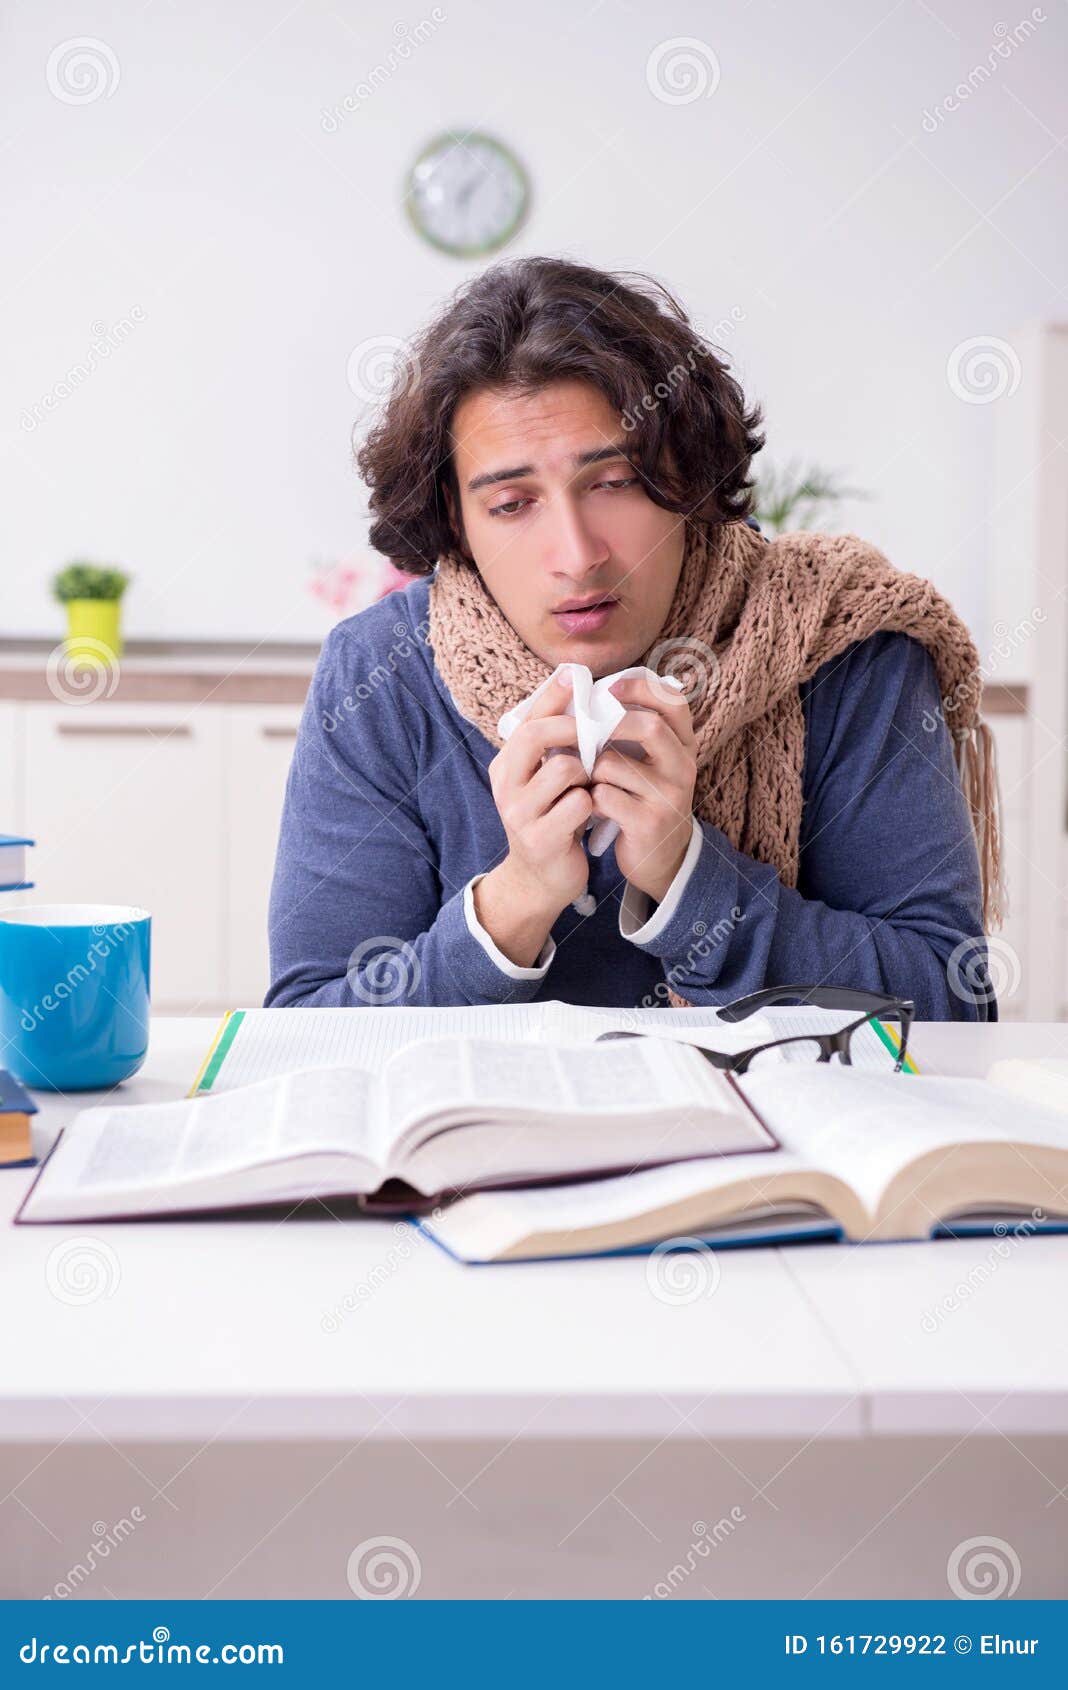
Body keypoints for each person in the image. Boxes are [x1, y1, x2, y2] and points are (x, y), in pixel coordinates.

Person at [267, 256, 999, 1019]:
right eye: (513, 504)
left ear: (686, 474)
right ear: (456, 519)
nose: (578, 555)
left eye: (614, 483)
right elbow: (311, 1026)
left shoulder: (842, 645)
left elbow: (953, 1001)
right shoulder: (379, 675)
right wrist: (514, 903)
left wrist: (689, 880)